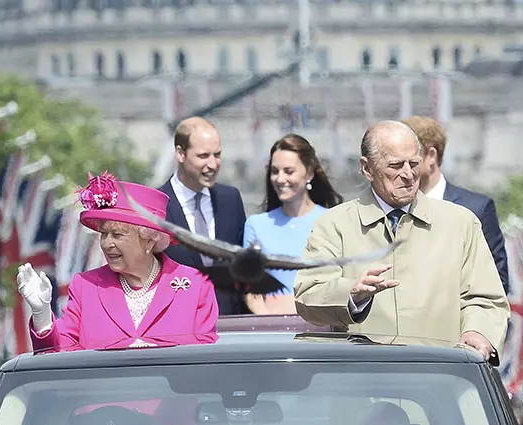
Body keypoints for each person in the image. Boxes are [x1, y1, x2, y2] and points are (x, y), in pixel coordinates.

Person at [293, 120, 510, 365]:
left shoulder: (461, 223)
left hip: (442, 379)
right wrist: (352, 294)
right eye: (395, 165)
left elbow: (486, 298)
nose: (408, 175)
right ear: (367, 168)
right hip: (360, 381)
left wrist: (477, 333)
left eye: (414, 164)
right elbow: (308, 294)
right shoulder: (333, 225)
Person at [17, 172, 219, 352]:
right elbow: (57, 356)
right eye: (104, 234)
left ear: (149, 238)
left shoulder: (195, 285)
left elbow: (206, 361)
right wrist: (41, 314)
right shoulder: (86, 287)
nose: (106, 243)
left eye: (117, 234)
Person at [402, 115, 509, 293]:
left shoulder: (477, 209)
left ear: (430, 156)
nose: (400, 168)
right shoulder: (389, 208)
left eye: (408, 157)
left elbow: (496, 283)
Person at [243, 134, 343, 314]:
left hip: (321, 329)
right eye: (275, 171)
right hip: (271, 332)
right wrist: (272, 326)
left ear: (309, 173)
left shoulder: (333, 221)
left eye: (289, 171)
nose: (280, 179)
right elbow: (251, 291)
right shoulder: (255, 225)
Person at [159, 116, 248, 315]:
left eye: (217, 155)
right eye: (203, 156)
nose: (213, 164)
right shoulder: (156, 206)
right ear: (180, 154)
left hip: (229, 326)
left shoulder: (230, 200)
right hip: (177, 328)